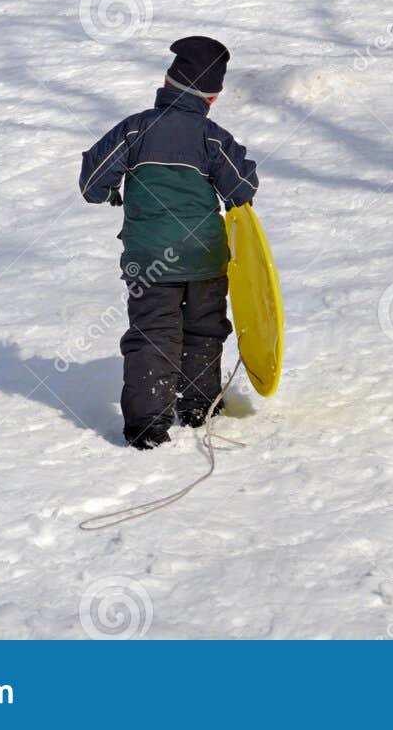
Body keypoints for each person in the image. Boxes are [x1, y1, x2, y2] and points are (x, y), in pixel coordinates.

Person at [78, 35, 258, 449]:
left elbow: (91, 182)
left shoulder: (134, 129)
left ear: (166, 81)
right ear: (212, 98)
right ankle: (199, 409)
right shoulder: (212, 138)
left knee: (152, 333)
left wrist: (112, 194)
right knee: (203, 330)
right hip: (204, 256)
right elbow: (243, 188)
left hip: (149, 258)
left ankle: (146, 430)